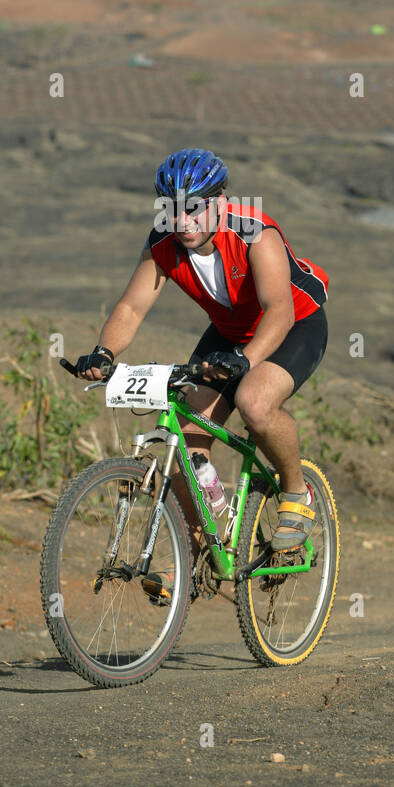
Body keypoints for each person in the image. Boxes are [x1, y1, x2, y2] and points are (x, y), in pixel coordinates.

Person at [75, 148, 329, 599]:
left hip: (293, 323)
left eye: (193, 209)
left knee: (254, 401)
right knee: (182, 439)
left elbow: (278, 309)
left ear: (221, 201)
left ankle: (297, 494)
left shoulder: (255, 232)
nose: (184, 221)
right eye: (172, 210)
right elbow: (132, 307)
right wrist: (103, 352)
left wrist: (247, 361)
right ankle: (200, 557)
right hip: (230, 332)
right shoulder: (163, 243)